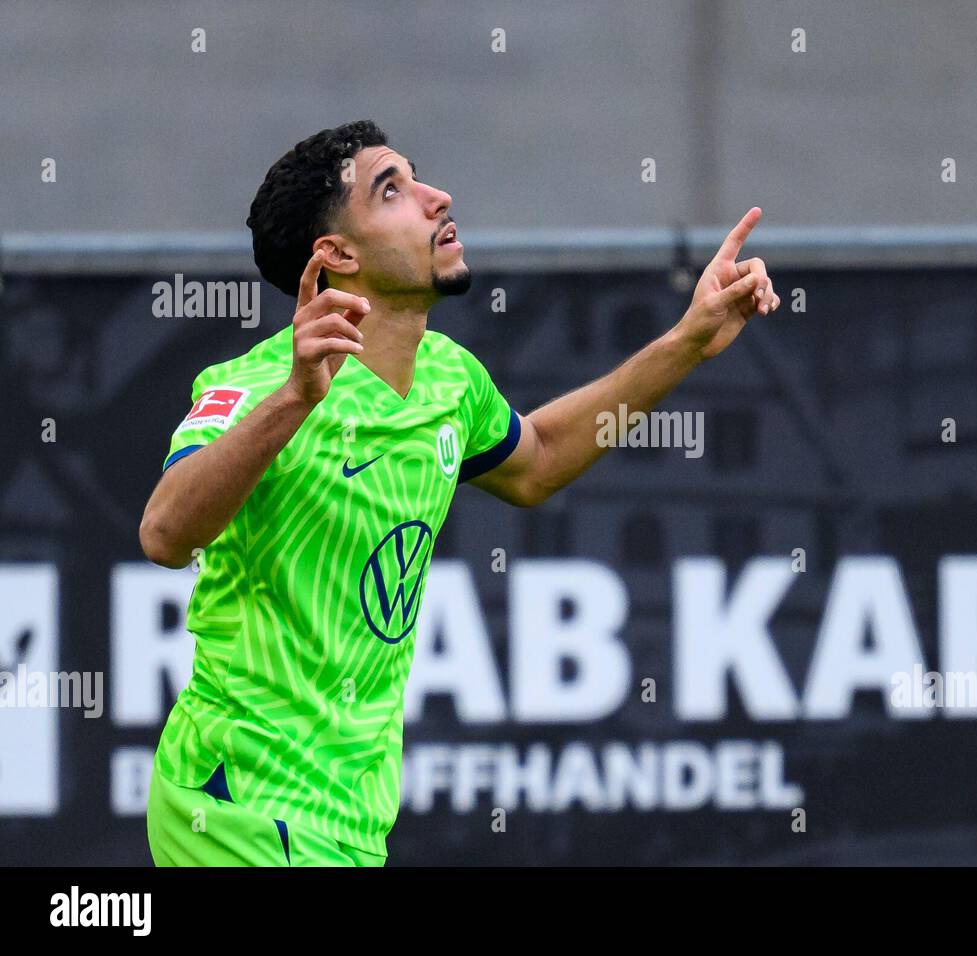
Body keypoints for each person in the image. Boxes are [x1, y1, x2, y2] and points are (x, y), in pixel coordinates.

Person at [139, 120, 780, 865]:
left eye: (418, 178)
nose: (438, 198)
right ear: (338, 254)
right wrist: (293, 401)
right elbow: (164, 533)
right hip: (235, 805)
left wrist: (687, 343)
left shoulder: (449, 377)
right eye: (393, 190)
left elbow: (536, 461)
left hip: (346, 817)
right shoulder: (256, 384)